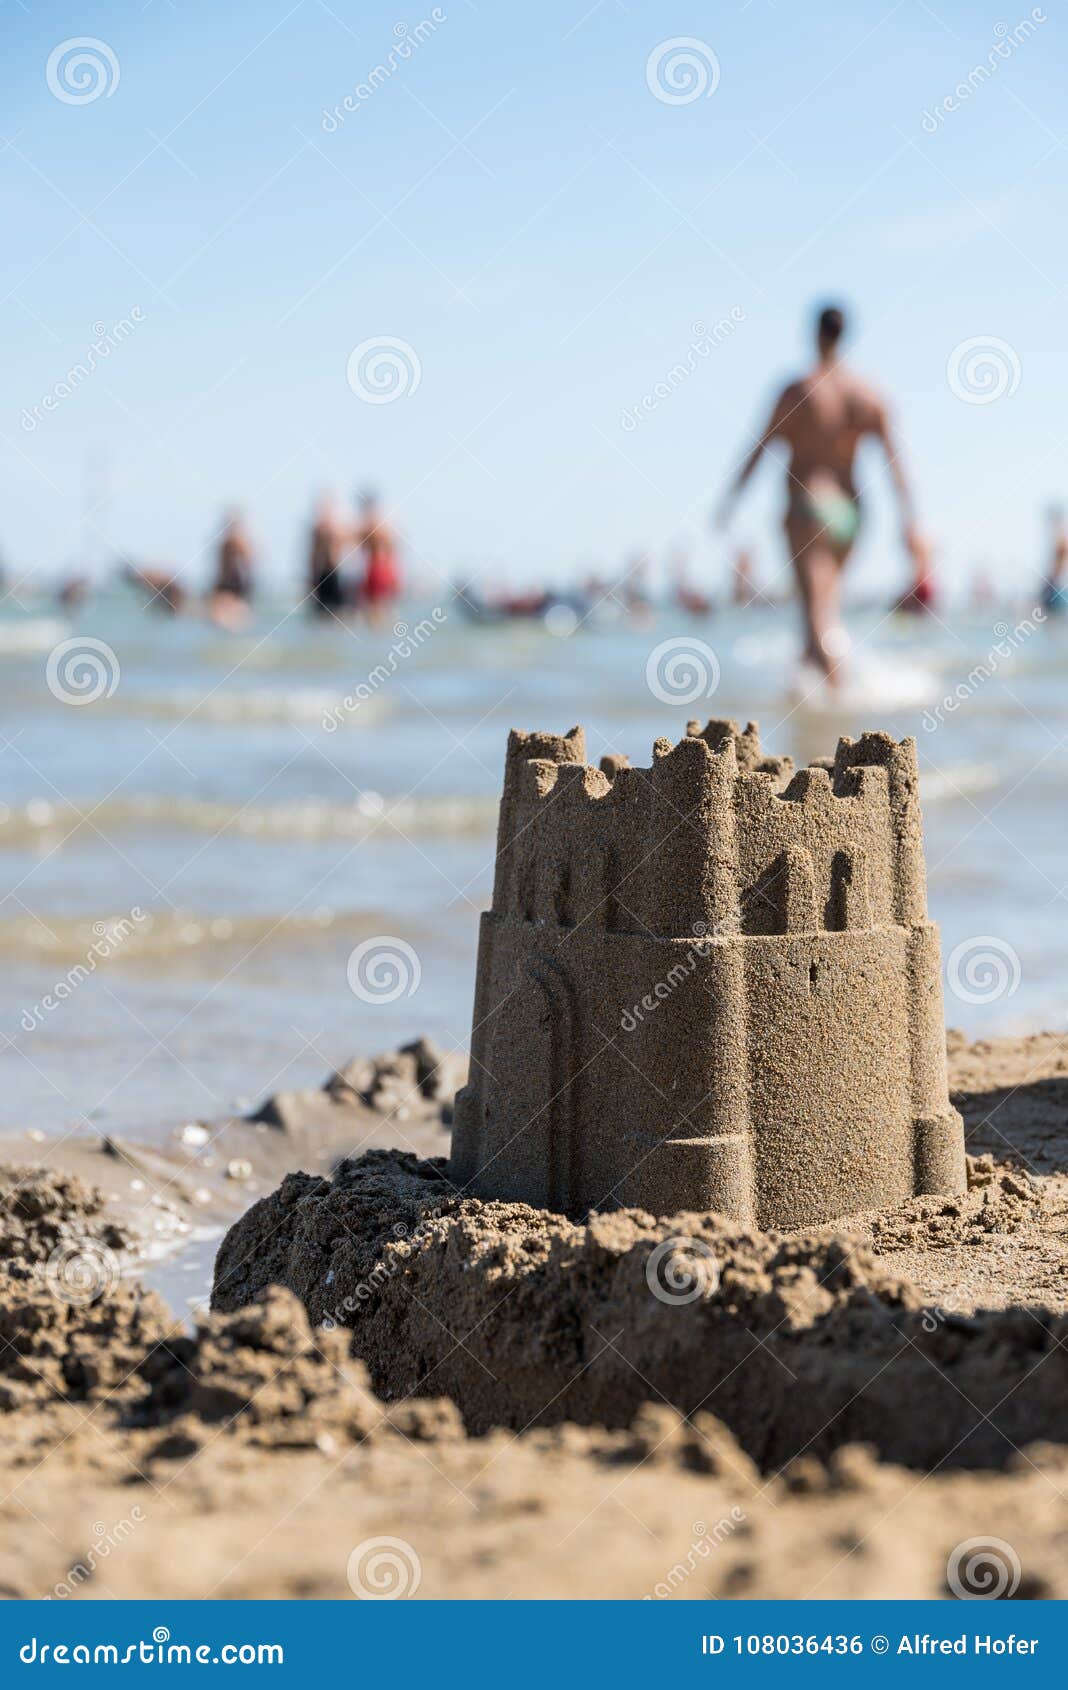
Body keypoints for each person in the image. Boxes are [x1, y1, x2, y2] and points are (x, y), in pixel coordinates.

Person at [716, 303, 927, 686]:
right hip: (852, 513)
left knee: (817, 616)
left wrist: (730, 502)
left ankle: (840, 705)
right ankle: (806, 714)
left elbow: (759, 449)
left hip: (809, 507)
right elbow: (897, 465)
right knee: (819, 610)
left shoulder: (798, 391)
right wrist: (910, 521)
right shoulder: (868, 395)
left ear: (815, 334)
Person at [351, 491, 400, 624]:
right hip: (377, 571)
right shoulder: (383, 524)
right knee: (377, 614)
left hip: (379, 571)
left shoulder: (374, 525)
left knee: (376, 614)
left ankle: (377, 641)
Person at [307, 495, 346, 615]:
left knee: (338, 611)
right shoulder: (317, 528)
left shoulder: (339, 528)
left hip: (335, 572)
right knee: (321, 611)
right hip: (323, 573)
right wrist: (312, 578)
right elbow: (313, 554)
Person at [1041, 504, 1068, 613]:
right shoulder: (1059, 539)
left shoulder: (1061, 540)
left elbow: (1059, 567)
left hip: (1058, 586)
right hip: (1055, 585)